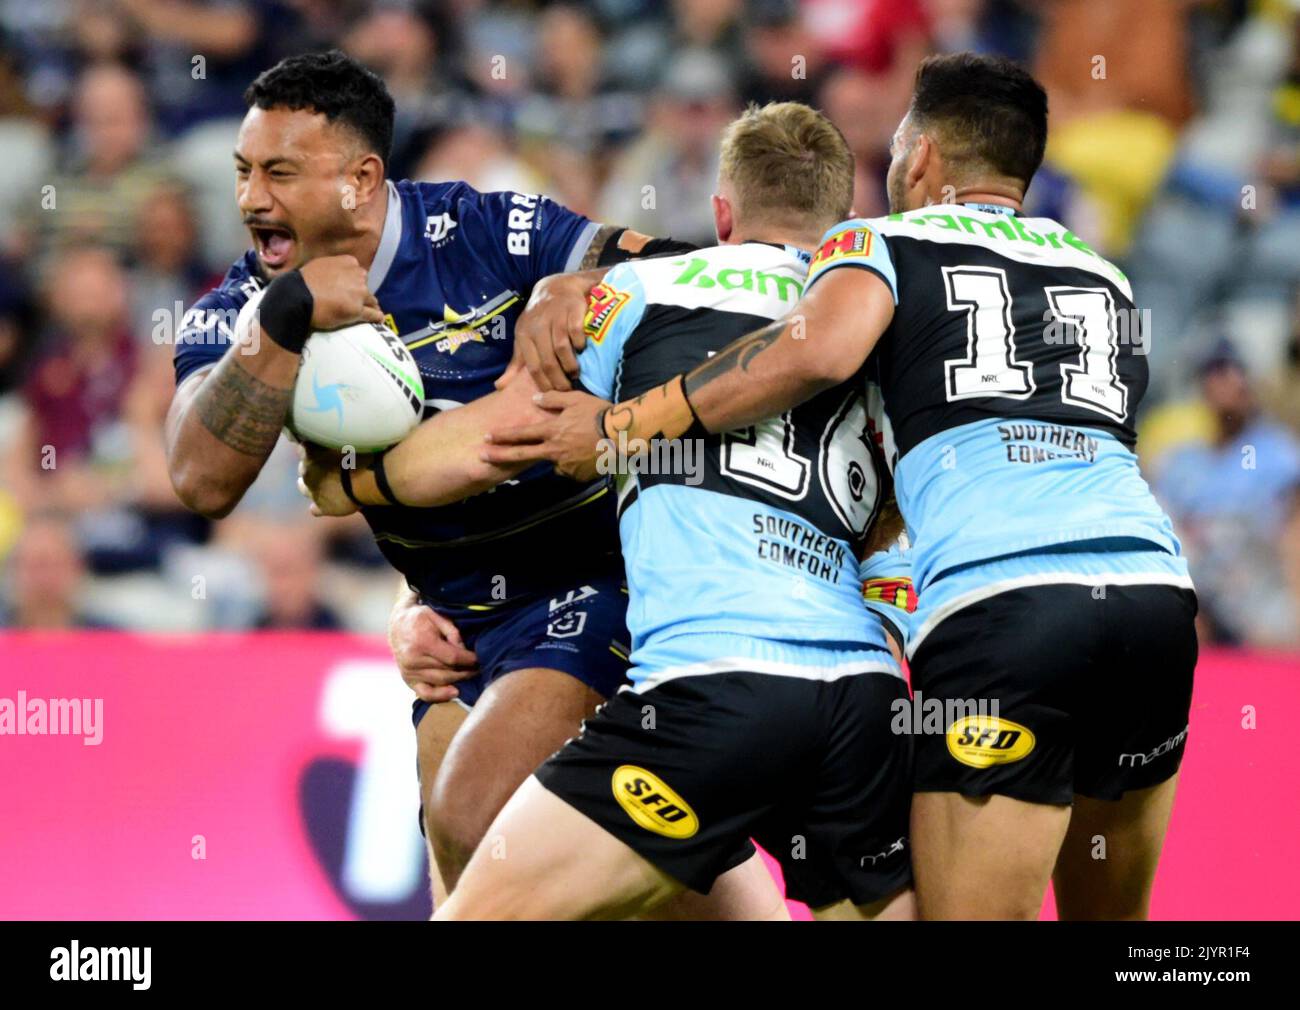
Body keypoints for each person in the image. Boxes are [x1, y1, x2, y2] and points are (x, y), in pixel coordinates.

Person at [489, 53, 1198, 922]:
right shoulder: (1103, 272)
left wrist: (620, 416)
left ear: (925, 155)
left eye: (899, 144)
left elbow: (811, 352)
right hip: (1153, 593)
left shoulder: (875, 246)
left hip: (1002, 608)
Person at [162, 49, 775, 916]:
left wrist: (586, 286)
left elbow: (693, 268)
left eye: (280, 172)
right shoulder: (243, 307)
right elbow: (198, 476)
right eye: (243, 172)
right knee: (464, 855)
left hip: (598, 580)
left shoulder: (481, 230)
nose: (252, 198)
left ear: (360, 179)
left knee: (479, 812)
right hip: (453, 622)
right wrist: (285, 319)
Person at [353, 101, 918, 921]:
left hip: (709, 683)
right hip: (862, 695)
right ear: (846, 221)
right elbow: (904, 517)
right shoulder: (877, 325)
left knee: (479, 890)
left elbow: (500, 450)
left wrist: (347, 482)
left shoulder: (637, 291)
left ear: (722, 212)